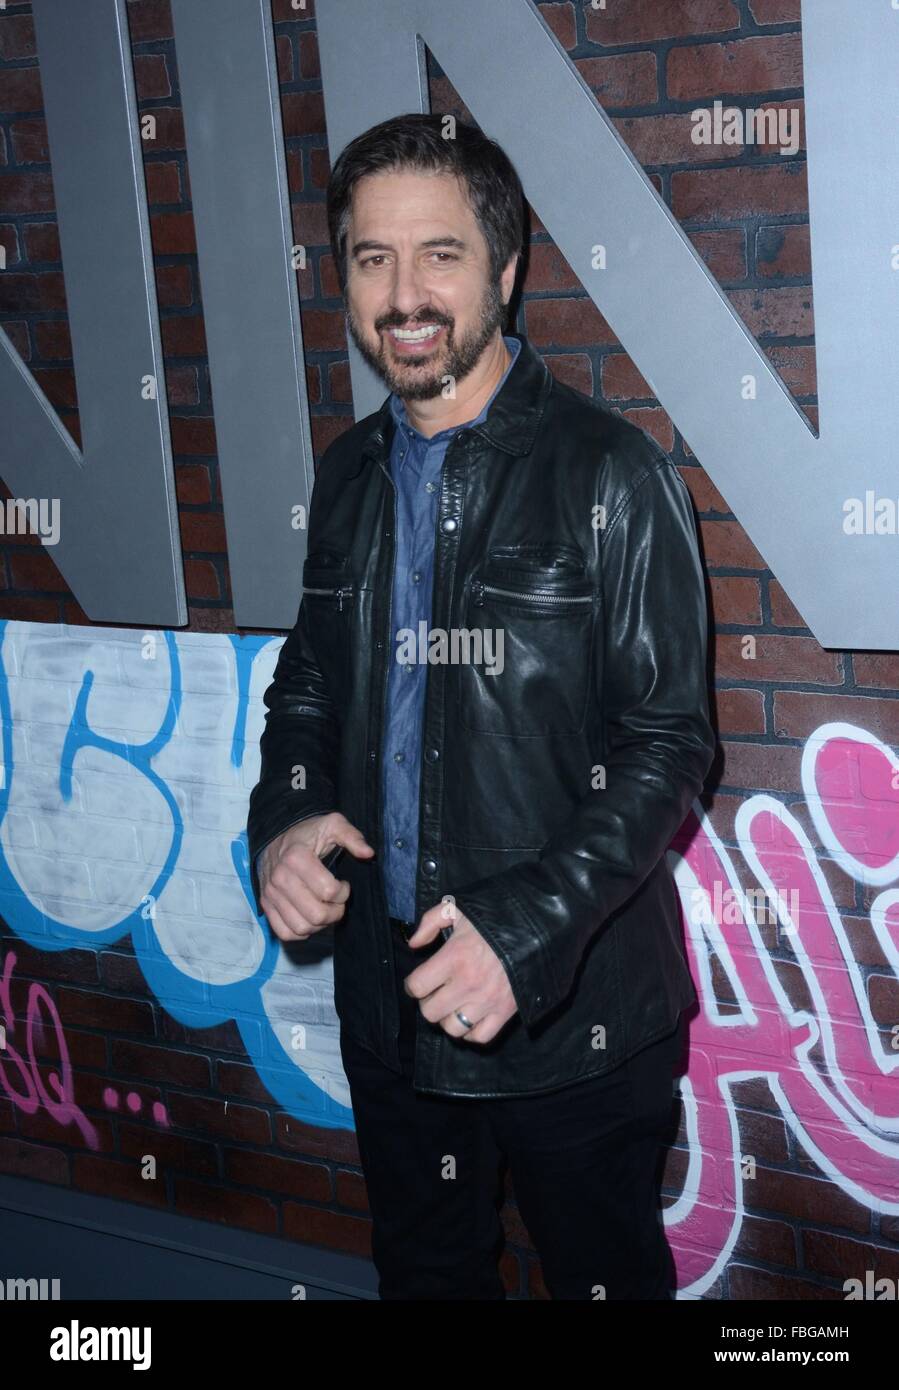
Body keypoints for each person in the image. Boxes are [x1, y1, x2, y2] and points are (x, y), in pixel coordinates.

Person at [247, 112, 716, 1300]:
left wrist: (524, 926)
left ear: (504, 271)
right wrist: (288, 813)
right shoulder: (347, 475)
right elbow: (306, 682)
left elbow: (666, 746)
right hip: (391, 1010)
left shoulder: (611, 472)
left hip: (575, 1024)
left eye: (438, 255)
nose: (403, 295)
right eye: (370, 258)